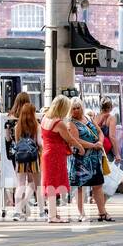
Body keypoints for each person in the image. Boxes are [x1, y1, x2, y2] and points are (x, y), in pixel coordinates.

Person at [68, 98, 112, 222]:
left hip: (94, 158)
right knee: (80, 186)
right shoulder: (71, 123)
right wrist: (93, 145)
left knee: (98, 185)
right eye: (74, 108)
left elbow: (99, 132)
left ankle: (102, 212)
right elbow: (76, 140)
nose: (76, 110)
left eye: (78, 107)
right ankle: (82, 214)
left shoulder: (89, 118)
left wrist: (100, 142)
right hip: (80, 158)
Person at [39, 96, 78, 224]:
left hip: (47, 153)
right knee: (53, 184)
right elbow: (69, 139)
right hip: (55, 155)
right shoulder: (58, 123)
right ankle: (52, 216)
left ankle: (53, 213)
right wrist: (81, 147)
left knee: (50, 182)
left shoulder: (45, 118)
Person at [10, 99, 41, 220]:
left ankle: (17, 212)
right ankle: (42, 211)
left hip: (20, 158)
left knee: (20, 184)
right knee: (36, 184)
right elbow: (39, 142)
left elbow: (17, 142)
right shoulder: (36, 126)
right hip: (33, 158)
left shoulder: (18, 126)